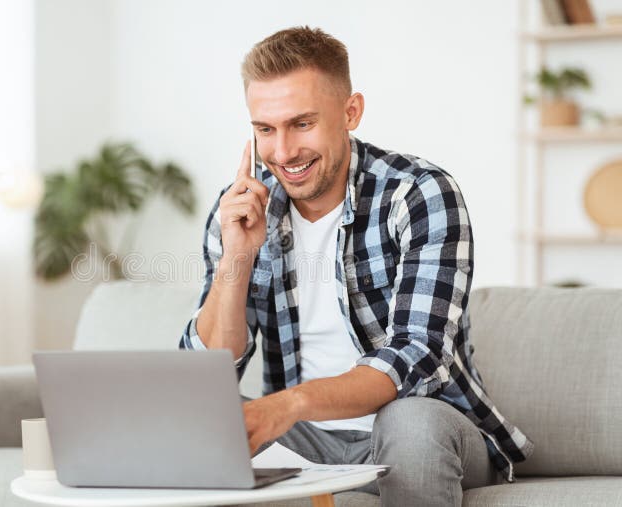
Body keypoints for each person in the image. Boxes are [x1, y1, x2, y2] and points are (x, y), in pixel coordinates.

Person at [179, 26, 532, 506]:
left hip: (422, 430)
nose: (282, 152)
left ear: (351, 112)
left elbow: (417, 356)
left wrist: (289, 404)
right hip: (306, 441)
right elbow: (208, 374)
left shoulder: (418, 194)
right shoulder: (241, 209)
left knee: (409, 422)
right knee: (193, 420)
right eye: (265, 129)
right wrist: (236, 258)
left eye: (302, 124)